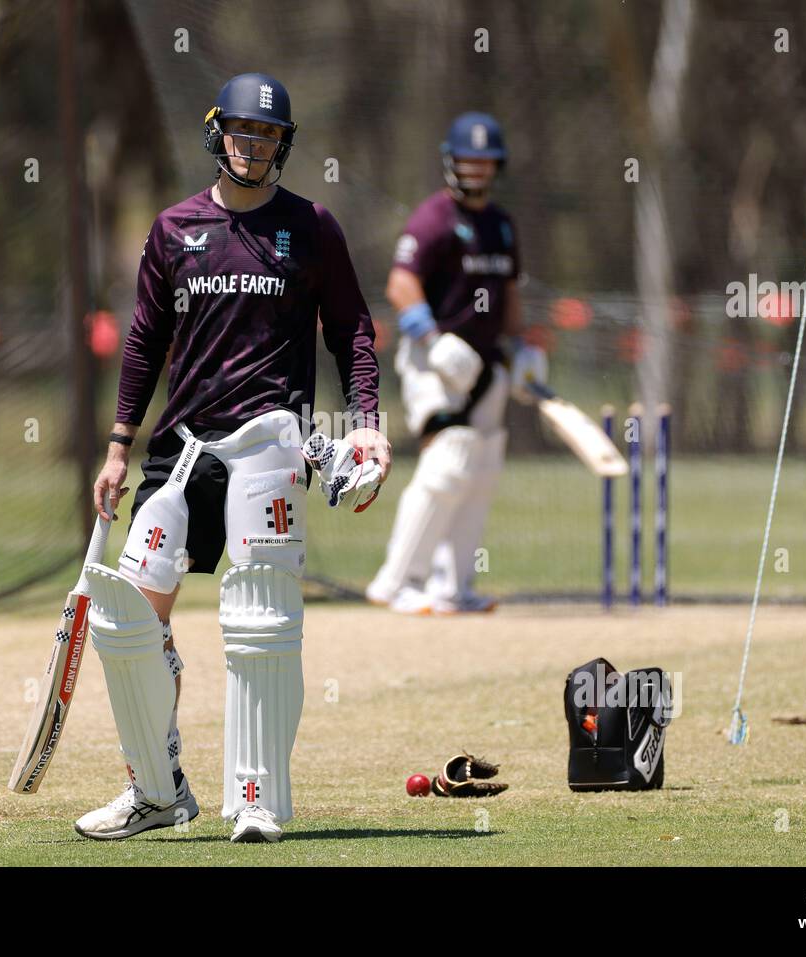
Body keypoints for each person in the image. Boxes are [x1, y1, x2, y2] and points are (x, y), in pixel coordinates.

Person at [80, 73, 391, 844]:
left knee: (259, 623)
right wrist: (119, 445)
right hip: (181, 449)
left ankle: (255, 796)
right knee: (127, 620)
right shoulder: (173, 229)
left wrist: (367, 424)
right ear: (216, 134)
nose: (255, 148)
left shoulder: (311, 227)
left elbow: (351, 328)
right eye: (243, 133)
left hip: (270, 445)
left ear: (283, 146)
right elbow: (146, 340)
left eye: (269, 136)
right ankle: (155, 788)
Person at [366, 112, 547, 615]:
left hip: (487, 364)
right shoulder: (434, 218)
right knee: (449, 460)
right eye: (467, 160)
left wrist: (522, 349)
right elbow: (400, 283)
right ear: (451, 161)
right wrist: (432, 335)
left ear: (497, 168)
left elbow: (508, 294)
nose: (475, 170)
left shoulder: (502, 226)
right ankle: (397, 580)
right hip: (434, 358)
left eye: (484, 162)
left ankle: (452, 585)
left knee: (481, 467)